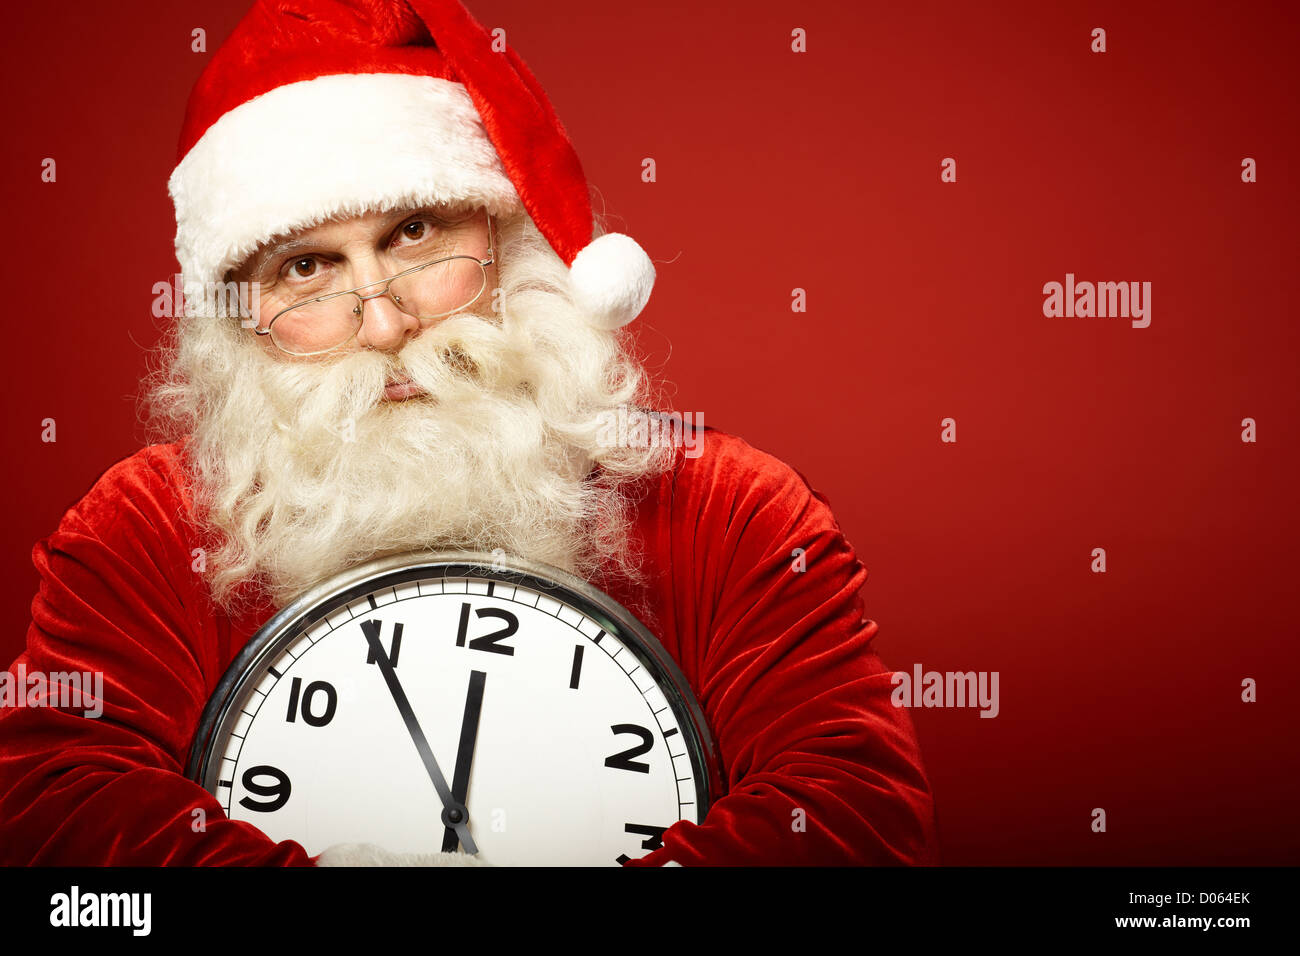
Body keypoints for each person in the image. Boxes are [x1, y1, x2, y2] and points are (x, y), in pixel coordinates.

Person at [0, 0, 940, 866]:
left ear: (510, 239)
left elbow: (857, 812)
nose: (383, 322)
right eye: (307, 268)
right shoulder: (143, 531)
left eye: (416, 233)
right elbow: (55, 808)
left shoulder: (733, 510)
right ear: (243, 315)